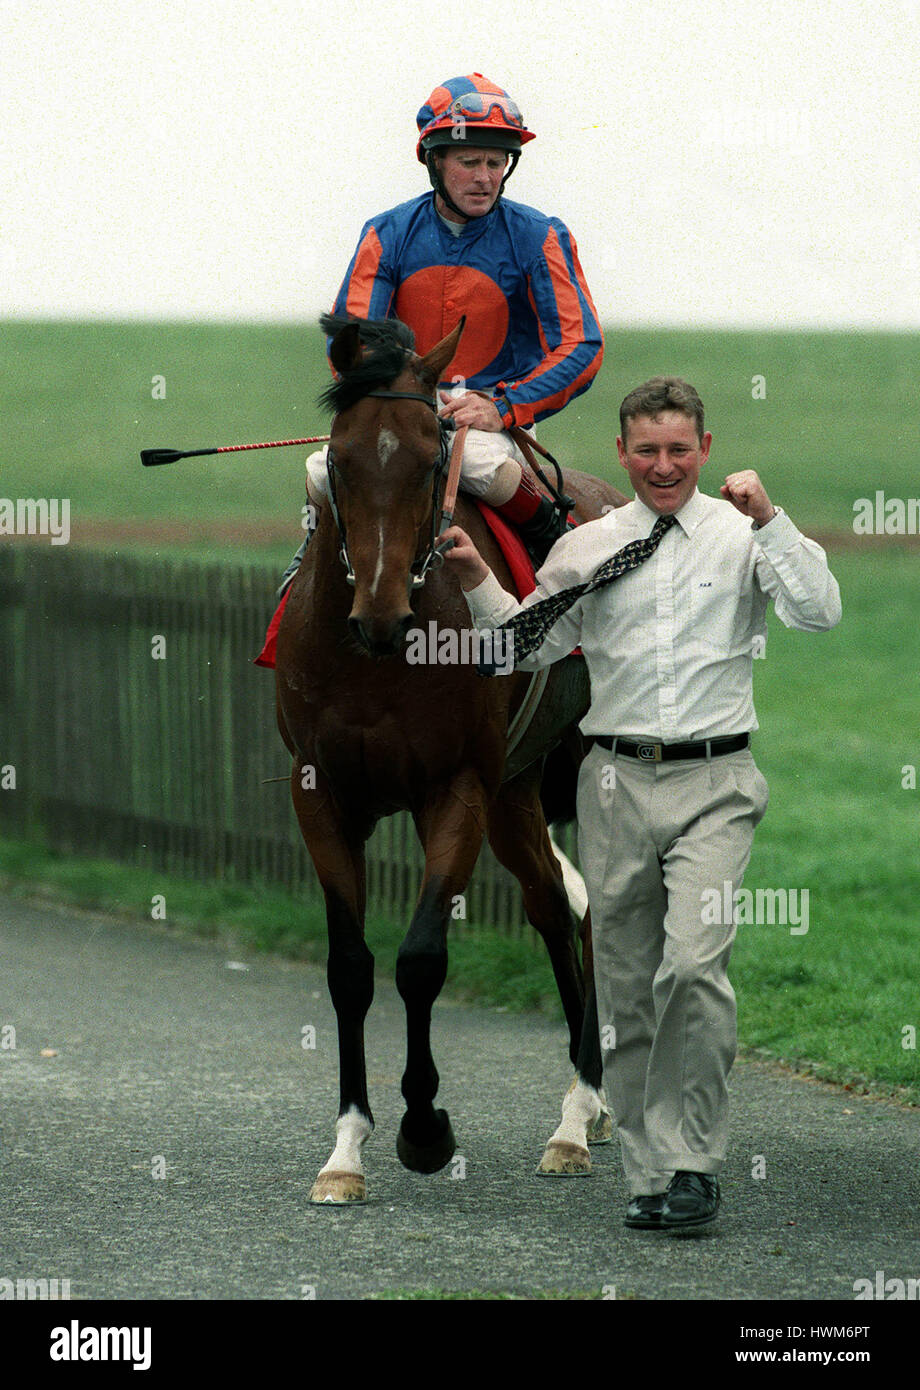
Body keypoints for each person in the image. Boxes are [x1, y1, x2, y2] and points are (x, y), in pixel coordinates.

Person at [442, 377, 841, 1231]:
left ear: (704, 448)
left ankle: (696, 1163)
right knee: (621, 987)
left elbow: (821, 612)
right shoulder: (590, 549)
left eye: (680, 450)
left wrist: (772, 517)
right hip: (614, 782)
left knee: (693, 968)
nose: (664, 466)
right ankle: (651, 1175)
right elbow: (525, 643)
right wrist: (478, 580)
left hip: (716, 783)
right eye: (647, 451)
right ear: (622, 455)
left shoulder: (742, 537)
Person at [278, 73, 604, 594]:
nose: (485, 177)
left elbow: (580, 345)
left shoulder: (541, 235)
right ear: (435, 161)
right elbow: (353, 342)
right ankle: (310, 564)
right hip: (404, 409)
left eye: (496, 163)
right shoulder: (385, 233)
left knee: (476, 461)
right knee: (322, 472)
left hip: (495, 421)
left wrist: (502, 405)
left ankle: (554, 556)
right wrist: (401, 400)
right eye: (469, 161)